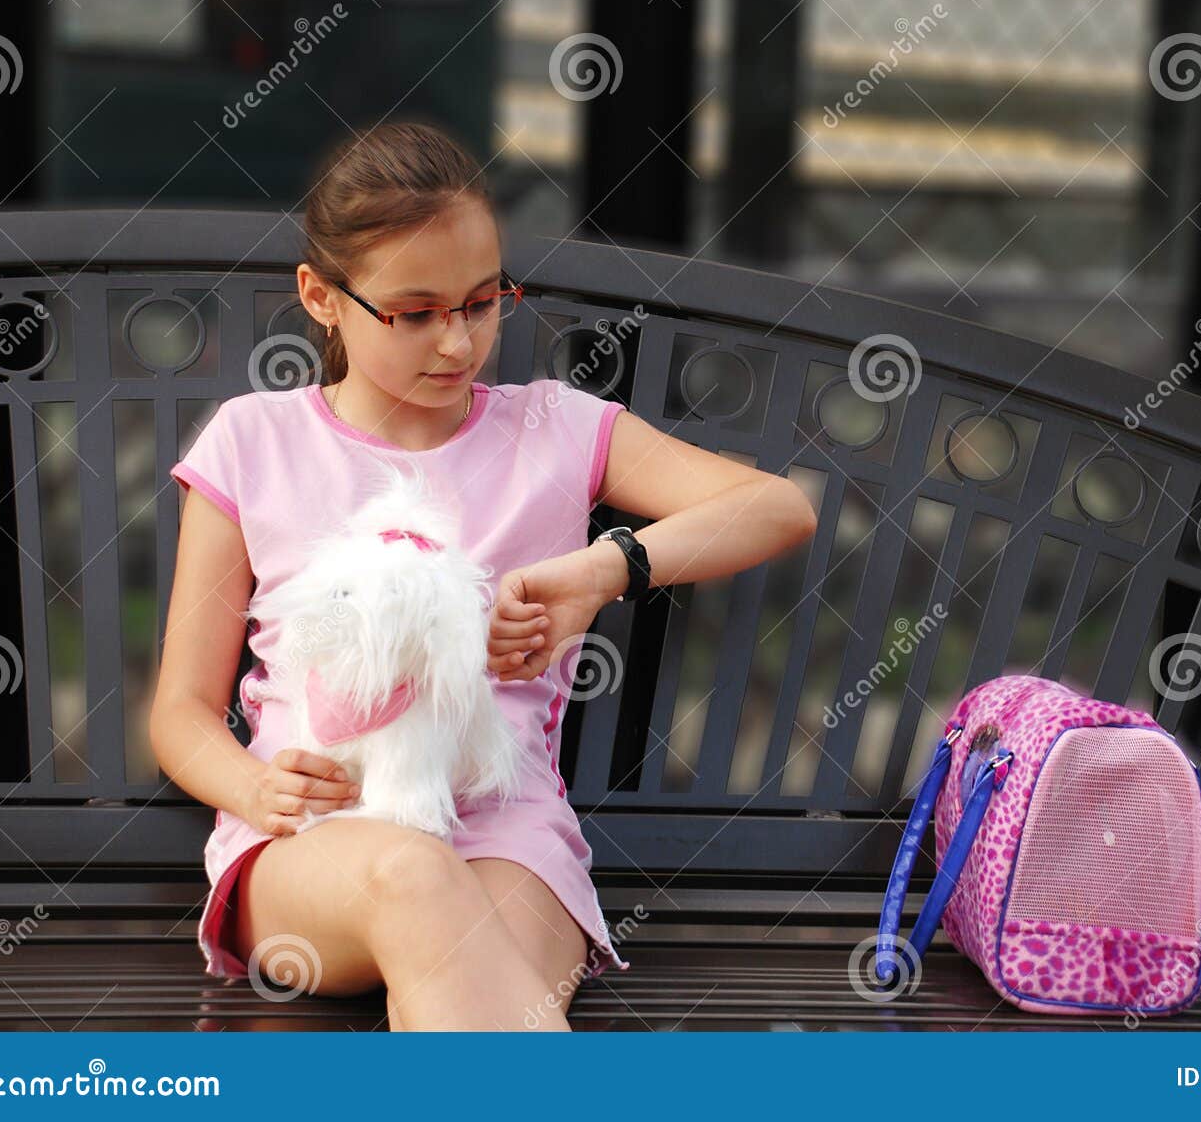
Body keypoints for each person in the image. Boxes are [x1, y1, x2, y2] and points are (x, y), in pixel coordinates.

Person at [148, 120, 818, 1030]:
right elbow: (181, 712)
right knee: (417, 880)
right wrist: (251, 786)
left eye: (481, 301)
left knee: (492, 1003)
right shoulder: (254, 440)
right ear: (321, 296)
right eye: (415, 312)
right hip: (310, 842)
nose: (457, 343)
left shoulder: (555, 429)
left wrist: (603, 569)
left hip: (504, 832)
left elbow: (777, 508)